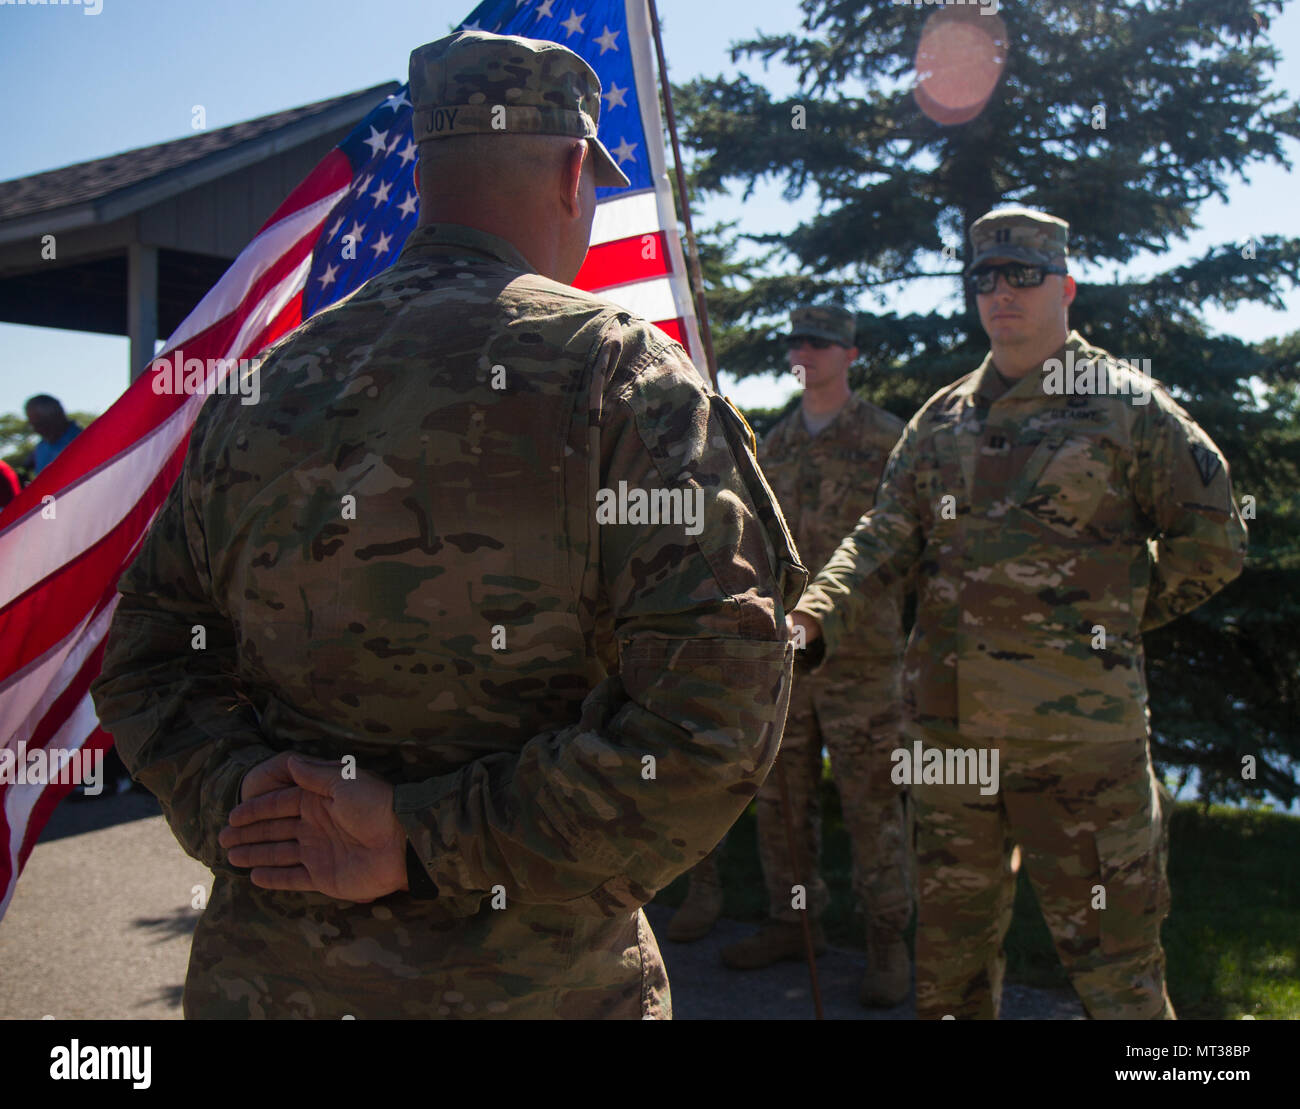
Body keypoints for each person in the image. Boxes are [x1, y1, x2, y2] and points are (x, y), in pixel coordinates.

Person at [89, 29, 805, 1020]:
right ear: (570, 174)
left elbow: (145, 661)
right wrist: (427, 837)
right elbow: (715, 708)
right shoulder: (618, 377)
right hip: (538, 987)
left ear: (424, 174)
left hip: (270, 984)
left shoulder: (259, 388)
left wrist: (248, 804)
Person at [791, 207, 1248, 1020]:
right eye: (985, 278)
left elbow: (1213, 538)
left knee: (1120, 978)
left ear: (1065, 286)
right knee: (948, 975)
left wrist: (1110, 621)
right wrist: (811, 614)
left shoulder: (1124, 406)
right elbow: (883, 533)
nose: (1002, 292)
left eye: (1024, 276)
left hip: (1081, 746)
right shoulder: (942, 418)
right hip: (948, 743)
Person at [668, 305, 913, 1007]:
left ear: (851, 353)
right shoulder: (770, 445)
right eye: (795, 340)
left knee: (871, 806)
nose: (803, 350)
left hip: (863, 659)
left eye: (820, 341)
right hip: (786, 657)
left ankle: (887, 939)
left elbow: (904, 545)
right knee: (781, 801)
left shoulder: (887, 440)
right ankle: (793, 921)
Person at [24, 395, 82, 476]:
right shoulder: (40, 448)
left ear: (57, 415)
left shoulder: (83, 441)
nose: (34, 427)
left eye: (38, 421)